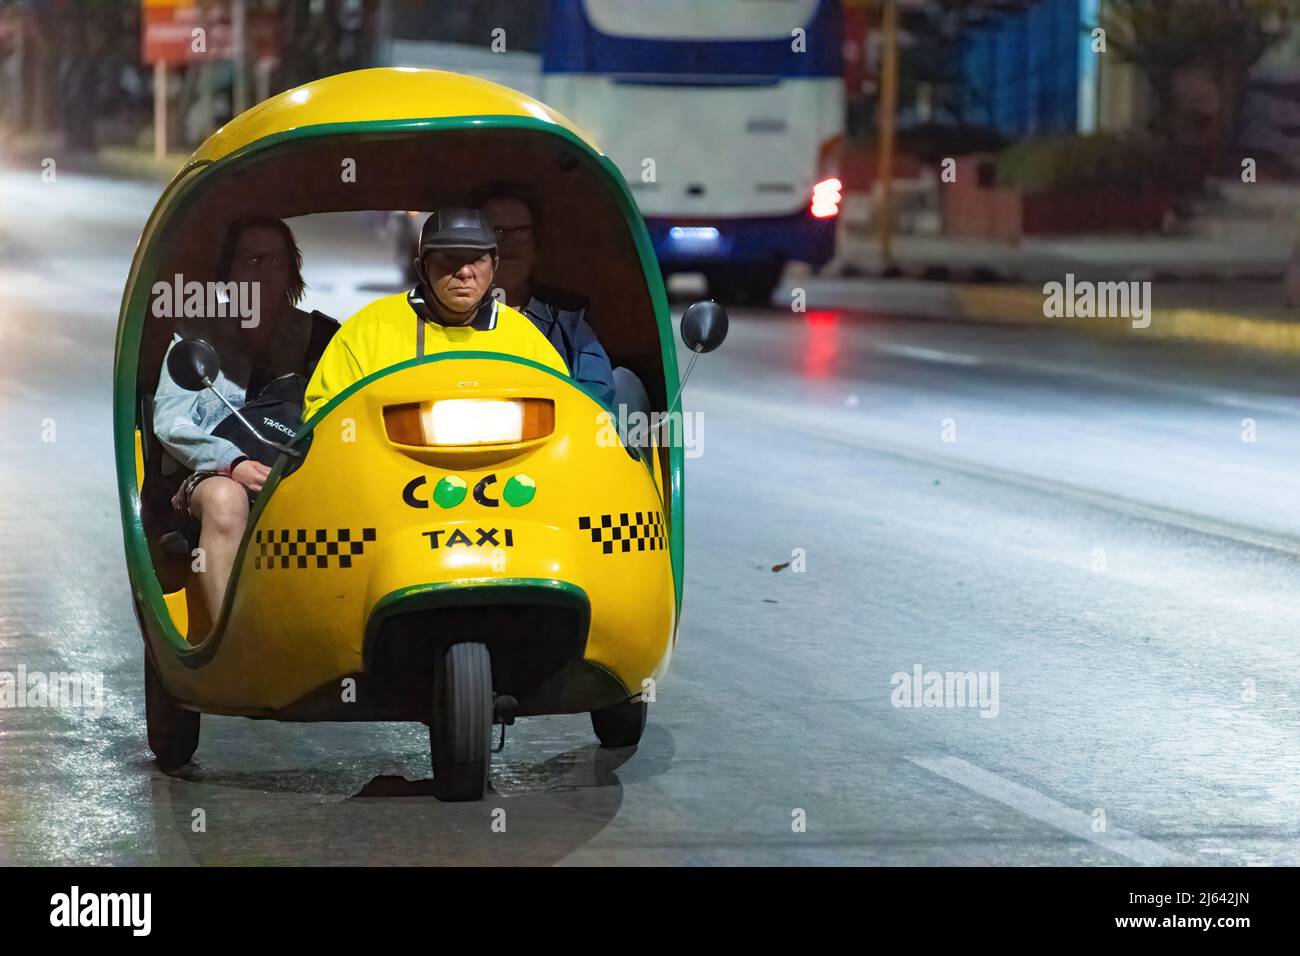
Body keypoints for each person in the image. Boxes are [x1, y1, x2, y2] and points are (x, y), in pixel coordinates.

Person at [153, 216, 337, 622]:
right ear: (228, 272)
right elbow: (171, 421)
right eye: (250, 260)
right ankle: (230, 643)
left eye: (274, 261)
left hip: (304, 470)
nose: (263, 272)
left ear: (291, 270)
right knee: (225, 499)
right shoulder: (196, 337)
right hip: (212, 474)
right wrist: (231, 463)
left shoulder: (325, 337)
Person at [303, 208, 570, 420]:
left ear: (494, 266)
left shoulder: (523, 337)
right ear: (422, 268)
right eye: (449, 259)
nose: (465, 272)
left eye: (477, 259)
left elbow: (566, 408)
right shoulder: (369, 328)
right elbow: (322, 414)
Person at [479, 190, 616, 407]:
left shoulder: (569, 319)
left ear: (537, 245)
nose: (509, 243)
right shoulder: (449, 315)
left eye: (521, 231)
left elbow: (597, 391)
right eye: (496, 231)